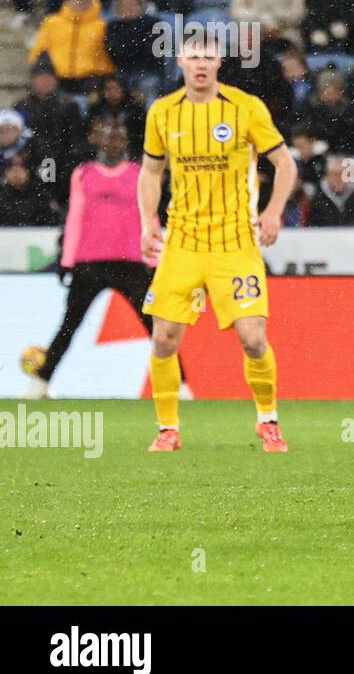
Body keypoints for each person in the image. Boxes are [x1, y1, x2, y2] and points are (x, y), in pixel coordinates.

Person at [137, 39, 297, 453]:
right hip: (183, 242)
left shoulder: (246, 107)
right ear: (181, 62)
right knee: (163, 339)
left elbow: (285, 162)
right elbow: (151, 172)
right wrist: (147, 221)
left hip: (235, 241)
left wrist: (275, 210)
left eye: (208, 57)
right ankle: (168, 429)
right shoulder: (163, 111)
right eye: (194, 57)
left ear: (219, 62)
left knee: (253, 338)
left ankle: (268, 419)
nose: (201, 65)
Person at [20, 125, 191, 399]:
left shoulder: (139, 174)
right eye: (110, 137)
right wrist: (67, 260)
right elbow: (74, 218)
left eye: (120, 137)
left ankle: (179, 385)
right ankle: (41, 383)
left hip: (132, 263)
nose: (114, 143)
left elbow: (152, 219)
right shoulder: (83, 174)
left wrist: (156, 259)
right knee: (69, 325)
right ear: (98, 141)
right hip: (90, 263)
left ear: (126, 143)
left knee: (155, 327)